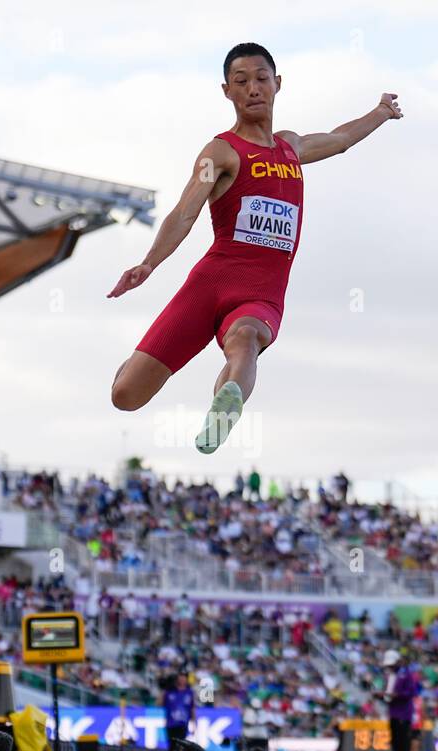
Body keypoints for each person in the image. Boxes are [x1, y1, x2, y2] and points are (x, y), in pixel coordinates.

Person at [107, 42, 403, 453]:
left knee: (245, 339)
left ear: (277, 84)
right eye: (241, 82)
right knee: (125, 394)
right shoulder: (220, 152)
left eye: (261, 79)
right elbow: (185, 211)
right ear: (226, 90)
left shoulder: (292, 148)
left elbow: (339, 139)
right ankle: (159, 374)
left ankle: (222, 409)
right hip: (210, 283)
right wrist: (148, 264)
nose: (253, 89)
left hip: (262, 291)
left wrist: (381, 112)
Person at [382, 650, 419, 751]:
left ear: (398, 661)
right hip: (393, 712)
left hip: (404, 713)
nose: (390, 667)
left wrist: (397, 695)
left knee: (403, 741)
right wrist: (381, 695)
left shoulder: (406, 674)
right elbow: (388, 693)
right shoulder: (390, 676)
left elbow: (412, 693)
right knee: (395, 741)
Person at [163, 672, 196, 751]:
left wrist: (194, 721)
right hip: (171, 723)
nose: (182, 680)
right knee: (171, 747)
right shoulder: (169, 692)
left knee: (181, 745)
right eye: (180, 678)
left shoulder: (189, 693)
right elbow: (160, 703)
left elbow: (192, 708)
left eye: (183, 678)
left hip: (183, 723)